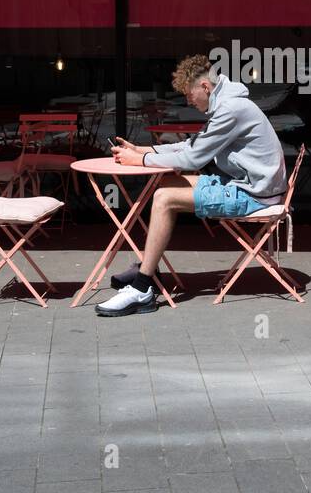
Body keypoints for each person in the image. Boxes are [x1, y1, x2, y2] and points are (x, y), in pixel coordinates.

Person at [97, 54, 287, 316]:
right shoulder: (227, 105)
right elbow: (193, 145)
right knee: (166, 181)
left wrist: (140, 159)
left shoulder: (230, 109)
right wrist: (143, 149)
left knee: (164, 197)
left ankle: (142, 289)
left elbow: (193, 158)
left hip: (255, 194)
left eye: (189, 94)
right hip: (247, 184)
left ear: (205, 87)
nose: (188, 101)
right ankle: (149, 267)